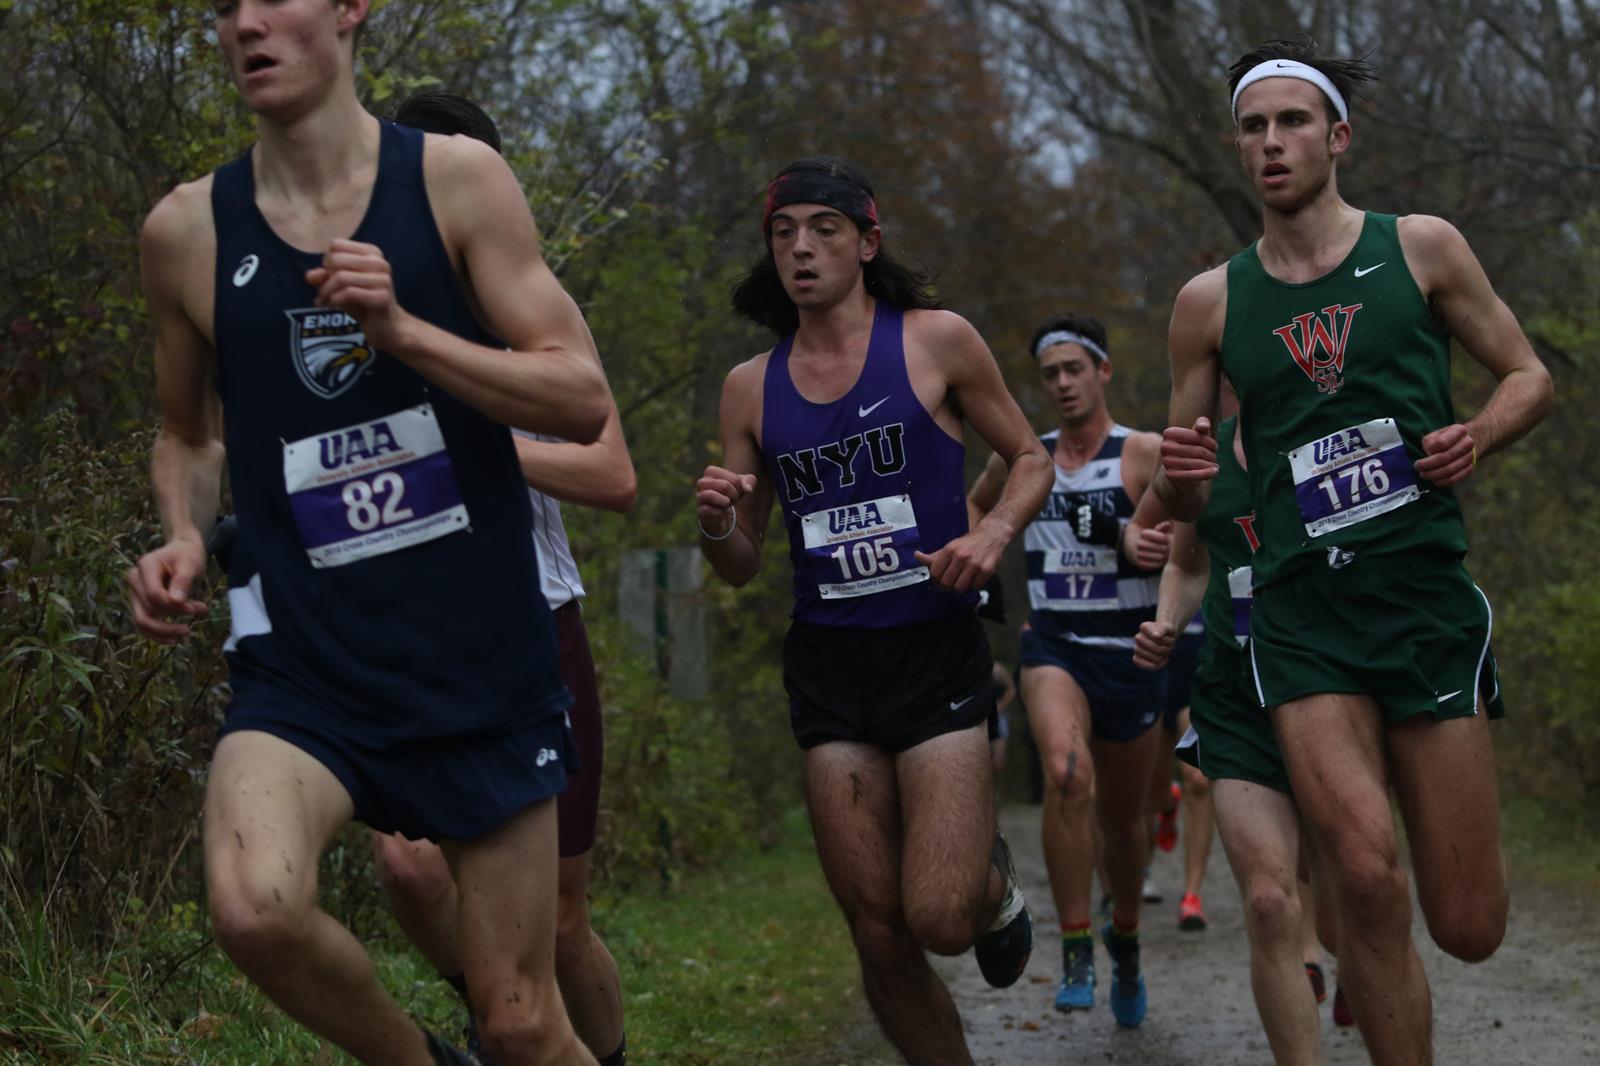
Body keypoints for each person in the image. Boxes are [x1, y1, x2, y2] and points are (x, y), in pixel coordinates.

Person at [125, 3, 612, 1063]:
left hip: (478, 658)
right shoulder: (186, 231)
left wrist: (403, 333)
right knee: (253, 908)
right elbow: (187, 435)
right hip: (305, 665)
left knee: (522, 1024)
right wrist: (184, 534)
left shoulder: (456, 182)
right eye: (225, 7)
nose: (246, 24)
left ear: (349, 8)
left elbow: (581, 400)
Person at [1155, 37, 1552, 1064]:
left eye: (1292, 121)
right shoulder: (1209, 302)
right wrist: (1184, 477)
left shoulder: (1420, 248)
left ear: (1337, 136)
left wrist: (1478, 435)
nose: (1271, 142)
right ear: (1238, 147)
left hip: (1420, 597)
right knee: (1369, 884)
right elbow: (1180, 485)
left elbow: (1528, 376)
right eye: (1253, 127)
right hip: (1300, 618)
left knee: (1468, 925)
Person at [694, 156, 1052, 1066]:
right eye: (783, 233)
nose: (801, 249)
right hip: (829, 668)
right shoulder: (750, 386)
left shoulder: (936, 341)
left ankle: (990, 886)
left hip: (933, 653)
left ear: (866, 242)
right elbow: (741, 564)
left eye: (824, 229)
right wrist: (717, 524)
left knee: (938, 916)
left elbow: (1031, 458)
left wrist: (991, 534)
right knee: (879, 933)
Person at [367, 91, 632, 1066]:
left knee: (559, 922)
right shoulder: (357, 313)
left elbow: (614, 476)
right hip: (408, 630)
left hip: (534, 621)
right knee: (409, 872)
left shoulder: (529, 312)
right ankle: (495, 1014)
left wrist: (481, 444)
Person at [967, 313, 1171, 1027]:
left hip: (1129, 653)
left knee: (1124, 822)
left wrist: (1133, 539)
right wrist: (980, 569)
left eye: (1073, 369)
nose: (1061, 384)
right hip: (1054, 645)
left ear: (1102, 371)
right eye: (1049, 374)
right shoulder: (1028, 458)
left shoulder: (1143, 453)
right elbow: (977, 502)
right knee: (1065, 773)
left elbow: (1180, 543)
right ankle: (1077, 946)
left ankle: (1127, 940)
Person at [1135, 399, 1325, 1064]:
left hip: (1329, 684)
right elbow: (1187, 564)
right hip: (1235, 691)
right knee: (1269, 900)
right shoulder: (1203, 457)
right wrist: (1166, 621)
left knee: (1351, 887)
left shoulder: (1327, 426)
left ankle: (1346, 953)